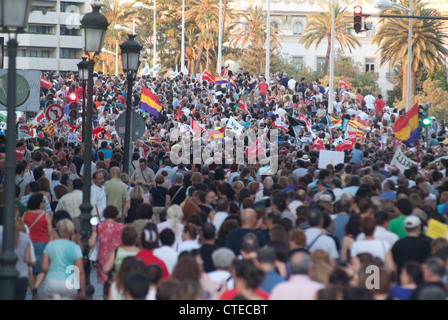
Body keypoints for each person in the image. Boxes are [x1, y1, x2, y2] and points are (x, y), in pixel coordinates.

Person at [40, 219, 85, 298]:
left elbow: (44, 267)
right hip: (70, 282)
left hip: (52, 281)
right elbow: (80, 270)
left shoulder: (50, 245)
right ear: (71, 231)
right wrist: (83, 290)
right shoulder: (75, 247)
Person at [22, 193, 53, 297]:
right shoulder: (45, 215)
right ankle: (36, 287)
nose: (45, 203)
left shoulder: (25, 214)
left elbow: (22, 229)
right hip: (43, 243)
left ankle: (32, 290)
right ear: (39, 203)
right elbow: (49, 232)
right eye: (43, 201)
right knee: (43, 269)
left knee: (30, 268)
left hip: (29, 244)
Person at [0, 206, 34, 300]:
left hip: (3, 275)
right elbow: (28, 259)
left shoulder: (1, 235)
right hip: (21, 276)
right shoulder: (25, 237)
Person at [88, 205, 124, 290]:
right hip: (117, 255)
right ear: (116, 215)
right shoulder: (121, 227)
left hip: (103, 257)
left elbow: (91, 243)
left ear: (104, 215)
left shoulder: (98, 226)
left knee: (106, 284)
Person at [102, 224, 140, 299]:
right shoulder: (139, 252)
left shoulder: (116, 252)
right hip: (135, 286)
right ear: (136, 238)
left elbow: (106, 268)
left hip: (118, 286)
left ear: (122, 238)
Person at [391, 215, 432, 282]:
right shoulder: (426, 244)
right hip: (420, 281)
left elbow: (394, 265)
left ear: (405, 229)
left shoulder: (398, 244)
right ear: (419, 227)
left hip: (402, 281)